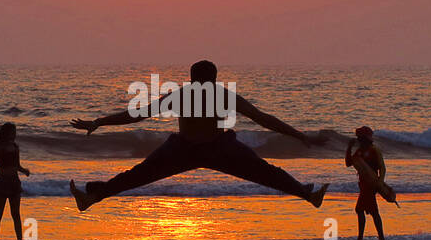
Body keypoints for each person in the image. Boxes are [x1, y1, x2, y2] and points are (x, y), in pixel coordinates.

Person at [69, 60, 328, 211]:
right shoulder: (221, 94)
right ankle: (307, 194)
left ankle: (93, 196)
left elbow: (138, 114)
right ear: (214, 77)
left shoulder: (182, 94)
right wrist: (299, 135)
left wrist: (99, 122)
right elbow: (264, 119)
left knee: (137, 175)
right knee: (266, 171)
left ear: (192, 77)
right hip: (209, 148)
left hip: (197, 148)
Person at [345, 126, 387, 240]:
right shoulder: (359, 152)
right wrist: (349, 148)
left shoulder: (374, 150)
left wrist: (380, 182)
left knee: (362, 210)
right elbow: (348, 163)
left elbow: (382, 168)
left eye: (360, 137)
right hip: (363, 185)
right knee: (370, 212)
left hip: (370, 185)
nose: (358, 139)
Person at [0, 122, 30, 240]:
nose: (15, 134)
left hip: (14, 182)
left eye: (15, 131)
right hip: (1, 181)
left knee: (16, 214)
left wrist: (24, 171)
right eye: (13, 131)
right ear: (6, 132)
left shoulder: (15, 146)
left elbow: (17, 165)